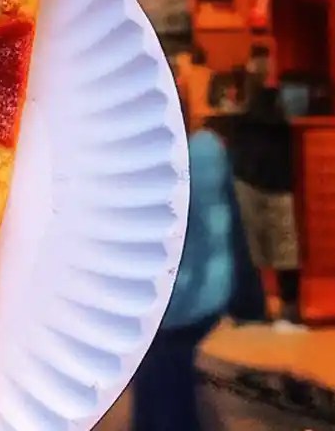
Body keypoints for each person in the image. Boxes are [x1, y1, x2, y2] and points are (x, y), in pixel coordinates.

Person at [132, 107, 235, 431]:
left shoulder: (169, 169)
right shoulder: (206, 153)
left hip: (179, 299)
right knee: (165, 378)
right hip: (203, 292)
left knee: (162, 381)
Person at [230, 86, 302, 329]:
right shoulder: (285, 129)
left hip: (247, 185)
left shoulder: (244, 125)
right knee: (286, 252)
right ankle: (289, 308)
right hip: (281, 189)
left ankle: (252, 309)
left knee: (251, 253)